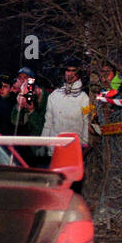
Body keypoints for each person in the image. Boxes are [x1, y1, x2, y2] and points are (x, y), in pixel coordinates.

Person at [42, 57, 92, 185]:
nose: (69, 74)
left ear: (78, 74)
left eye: (73, 71)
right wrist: (43, 142)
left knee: (71, 185)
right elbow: (48, 121)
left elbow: (87, 122)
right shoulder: (54, 95)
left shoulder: (84, 98)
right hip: (55, 148)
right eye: (67, 71)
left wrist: (84, 145)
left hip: (74, 149)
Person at [10, 67, 47, 165]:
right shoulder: (20, 94)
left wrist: (32, 110)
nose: (22, 81)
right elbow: (15, 121)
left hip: (39, 145)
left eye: (25, 78)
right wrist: (19, 106)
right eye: (20, 78)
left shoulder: (43, 96)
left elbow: (41, 125)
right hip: (24, 147)